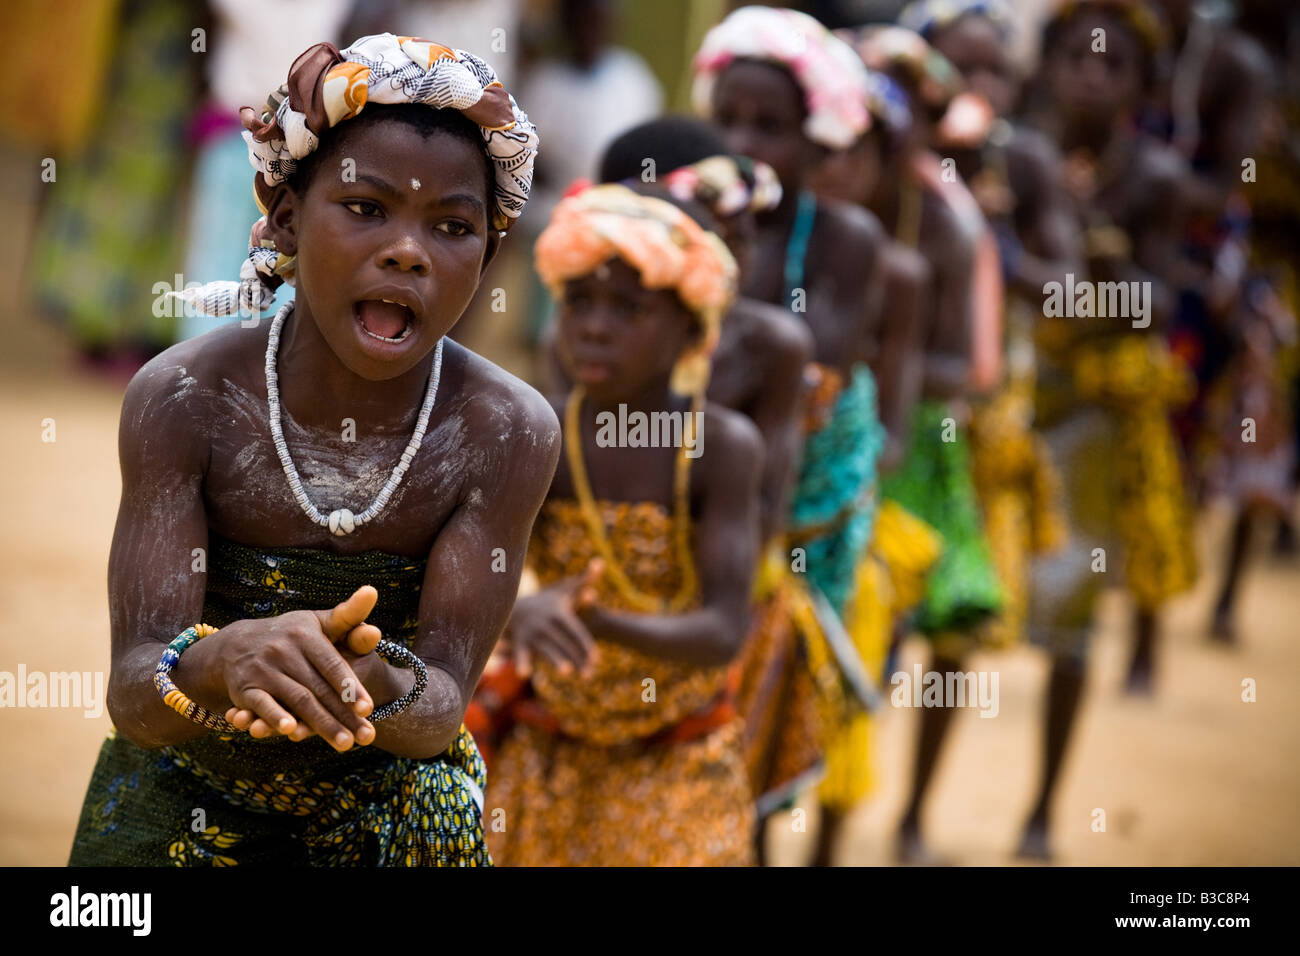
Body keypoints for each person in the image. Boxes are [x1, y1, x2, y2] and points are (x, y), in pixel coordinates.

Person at [68, 34, 555, 867]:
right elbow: (134, 695)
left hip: (386, 816)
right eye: (366, 209)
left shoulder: (502, 431)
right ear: (286, 217)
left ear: (488, 256)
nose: (408, 250)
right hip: (179, 801)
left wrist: (367, 676)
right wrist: (220, 659)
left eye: (451, 225)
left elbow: (440, 708)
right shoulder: (186, 400)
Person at [483, 183, 762, 866]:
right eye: (579, 303)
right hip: (552, 749)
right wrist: (521, 614)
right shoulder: (533, 431)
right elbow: (476, 573)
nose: (596, 326)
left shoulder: (717, 447)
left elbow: (725, 631)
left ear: (694, 329)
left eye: (630, 308)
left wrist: (597, 623)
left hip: (676, 752)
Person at [595, 119, 825, 861]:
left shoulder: (770, 347)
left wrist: (703, 614)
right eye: (708, 234)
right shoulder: (593, 340)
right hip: (600, 595)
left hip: (726, 595)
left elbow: (764, 507)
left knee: (719, 792)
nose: (731, 258)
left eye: (742, 237)